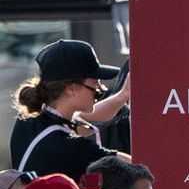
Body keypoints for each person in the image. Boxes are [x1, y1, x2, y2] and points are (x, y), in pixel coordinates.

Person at [10, 41, 123, 181]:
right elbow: (136, 167)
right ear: (71, 88)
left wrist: (122, 96)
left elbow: (85, 117)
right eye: (95, 84)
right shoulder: (68, 147)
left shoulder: (30, 118)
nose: (101, 90)